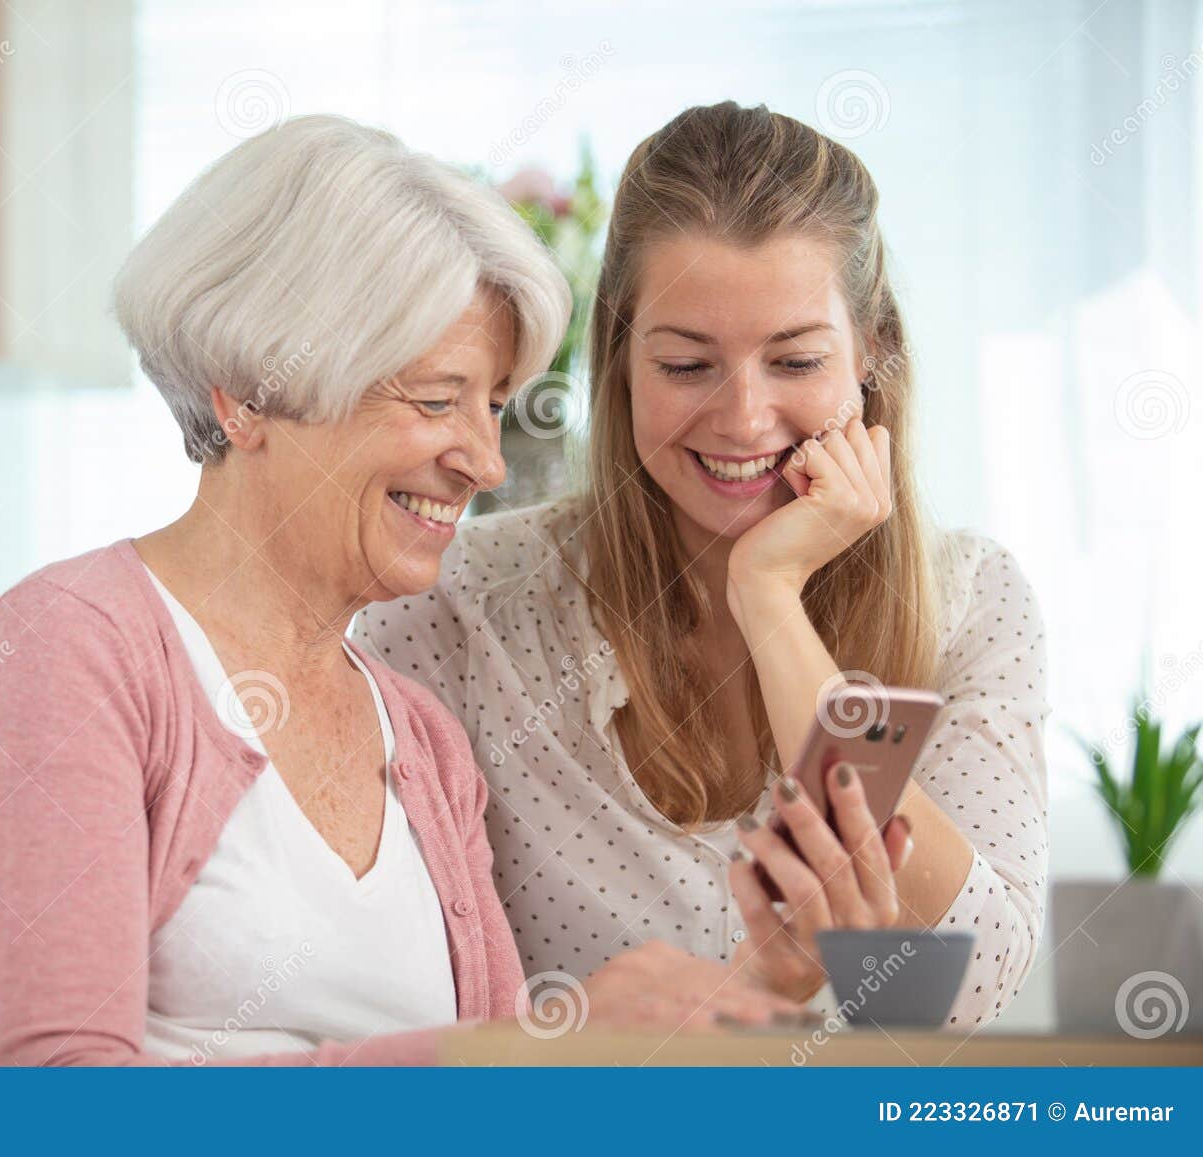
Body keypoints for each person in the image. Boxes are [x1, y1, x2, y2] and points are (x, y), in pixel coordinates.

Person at [0, 114, 804, 1067]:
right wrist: (507, 1055)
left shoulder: (420, 738)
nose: (485, 460)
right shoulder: (73, 646)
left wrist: (749, 990)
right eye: (435, 398)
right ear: (245, 391)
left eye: (495, 405)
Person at [355, 102, 1049, 1027]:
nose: (745, 419)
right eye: (688, 365)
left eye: (795, 360)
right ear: (622, 358)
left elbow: (961, 989)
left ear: (870, 349)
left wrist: (770, 599)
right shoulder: (459, 603)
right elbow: (396, 1024)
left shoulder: (972, 599)